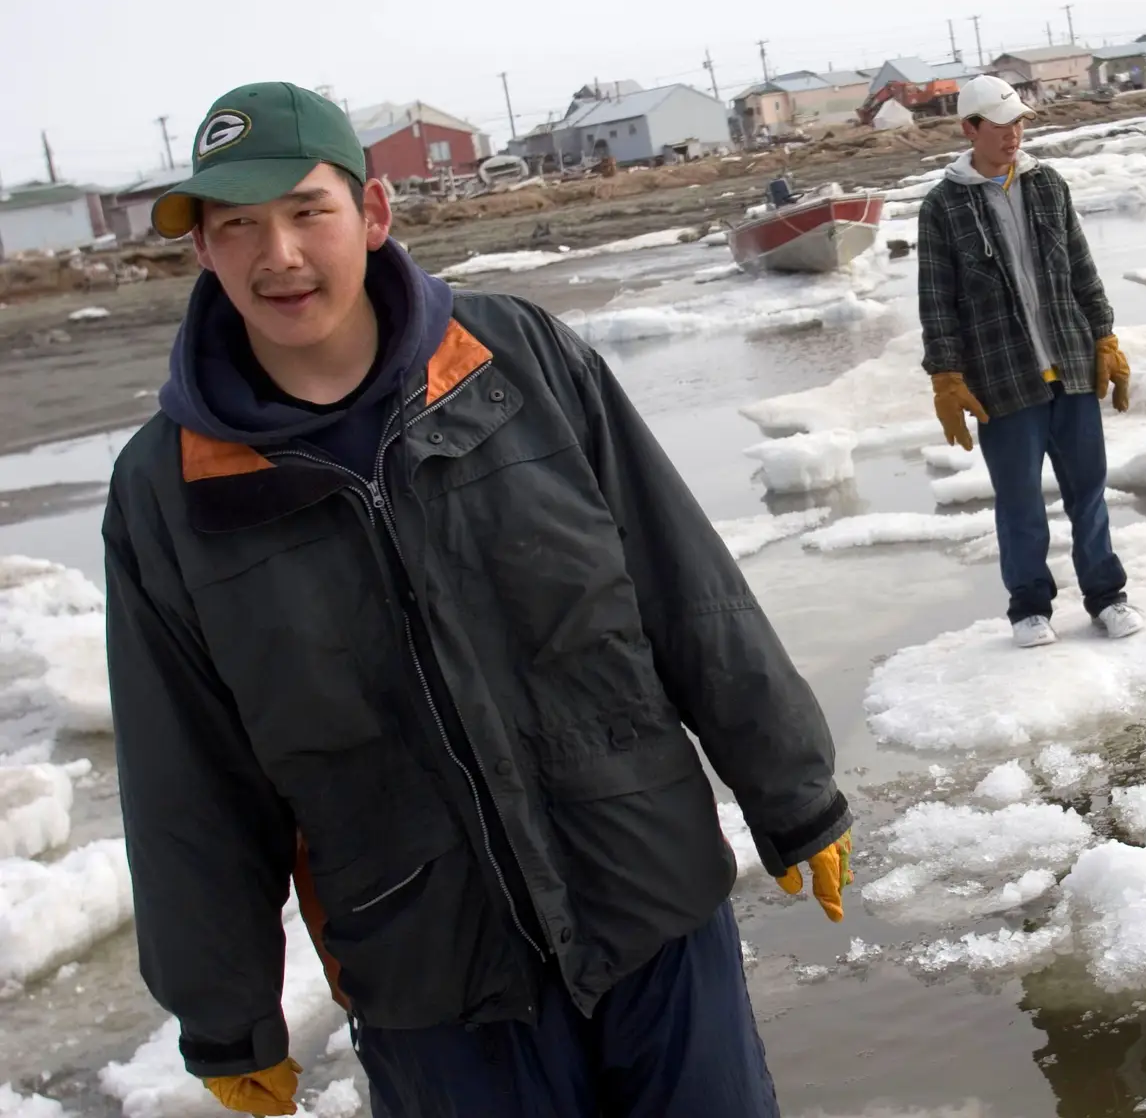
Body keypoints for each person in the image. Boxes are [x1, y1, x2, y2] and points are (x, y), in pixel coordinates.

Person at [104, 83, 852, 1118]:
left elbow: (681, 582)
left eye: (307, 211)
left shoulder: (516, 360)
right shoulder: (170, 489)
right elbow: (185, 772)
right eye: (237, 226)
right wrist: (223, 1007)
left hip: (649, 900)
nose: (278, 254)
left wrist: (793, 789)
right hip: (430, 979)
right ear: (203, 249)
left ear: (371, 214)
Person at [917, 74, 1143, 649]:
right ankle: (1029, 609)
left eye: (1018, 121)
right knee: (1019, 503)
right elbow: (936, 301)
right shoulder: (943, 206)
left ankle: (1107, 598)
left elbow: (1082, 269)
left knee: (1088, 492)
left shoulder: (1048, 185)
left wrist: (1105, 340)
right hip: (1002, 377)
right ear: (970, 129)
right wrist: (946, 376)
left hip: (1070, 365)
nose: (1013, 133)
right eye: (1000, 124)